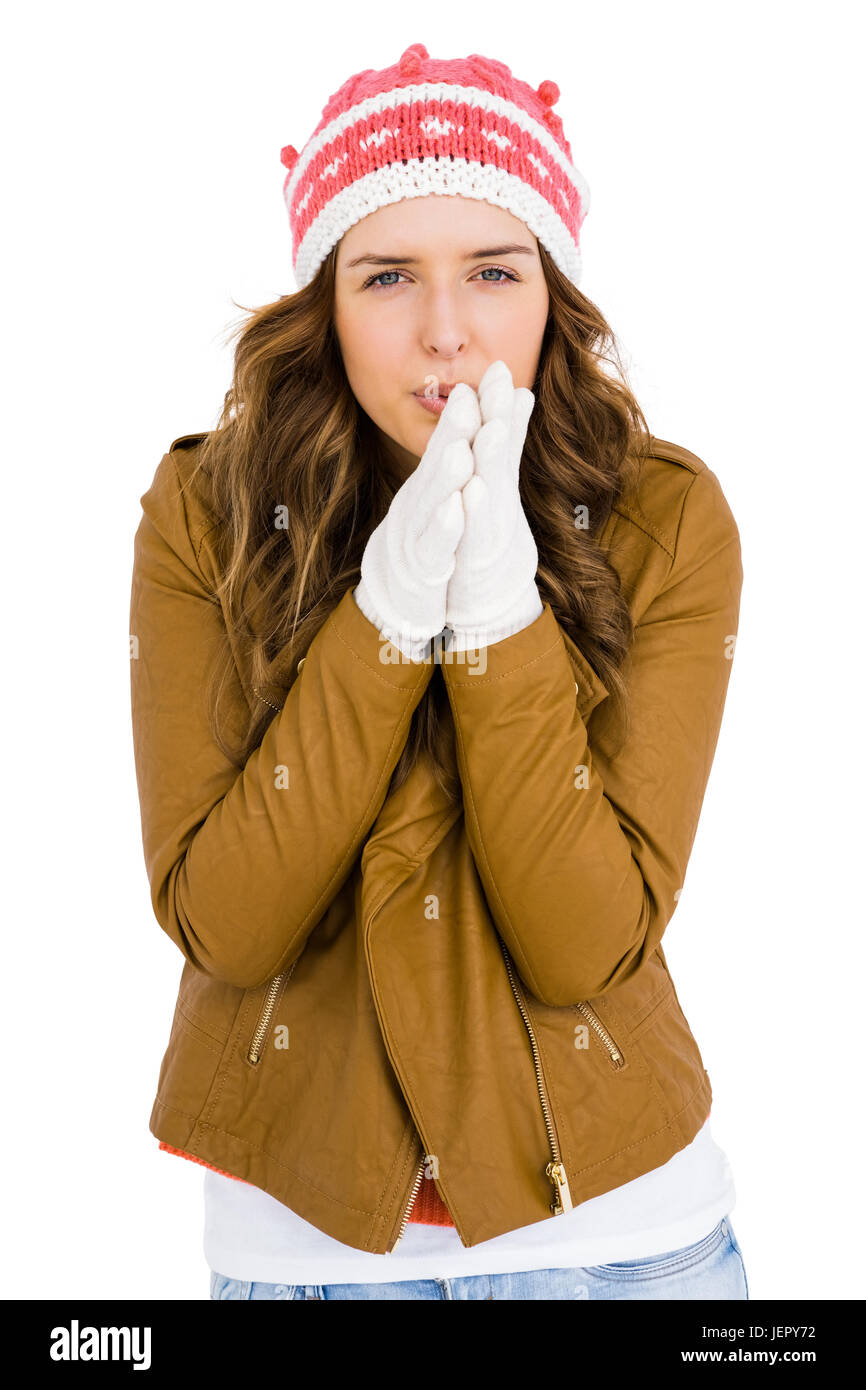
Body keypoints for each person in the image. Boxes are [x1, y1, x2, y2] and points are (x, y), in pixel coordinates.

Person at [128, 42, 749, 1301]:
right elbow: (225, 920)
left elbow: (586, 947)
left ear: (550, 288)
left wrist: (495, 622)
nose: (446, 331)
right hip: (303, 1259)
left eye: (492, 270)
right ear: (324, 299)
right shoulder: (205, 510)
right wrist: (386, 621)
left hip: (617, 1249)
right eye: (387, 274)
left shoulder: (662, 517)